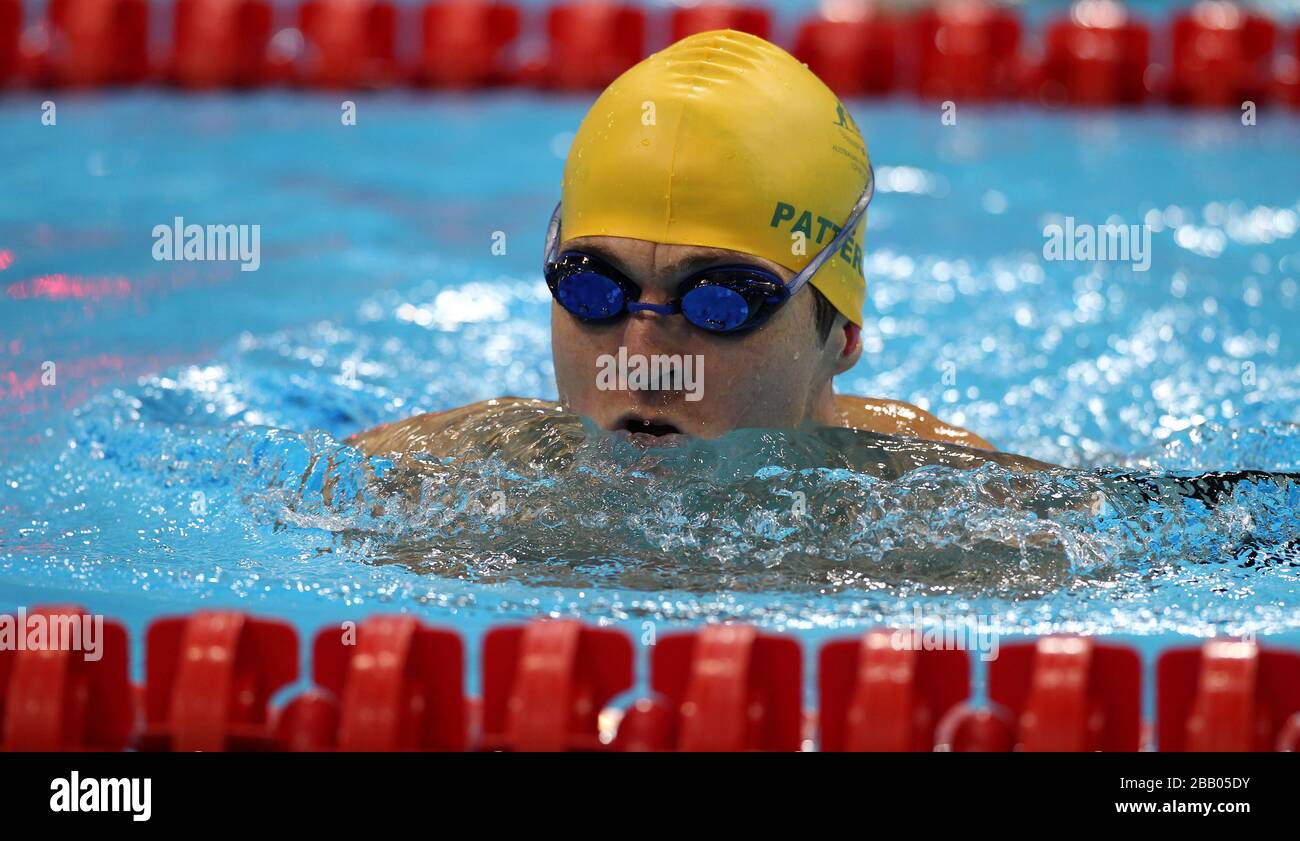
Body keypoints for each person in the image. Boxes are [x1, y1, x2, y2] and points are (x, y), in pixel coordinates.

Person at [350, 29, 1000, 462]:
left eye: (720, 303)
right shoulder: (435, 475)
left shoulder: (963, 512)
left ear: (845, 334)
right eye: (594, 289)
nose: (642, 359)